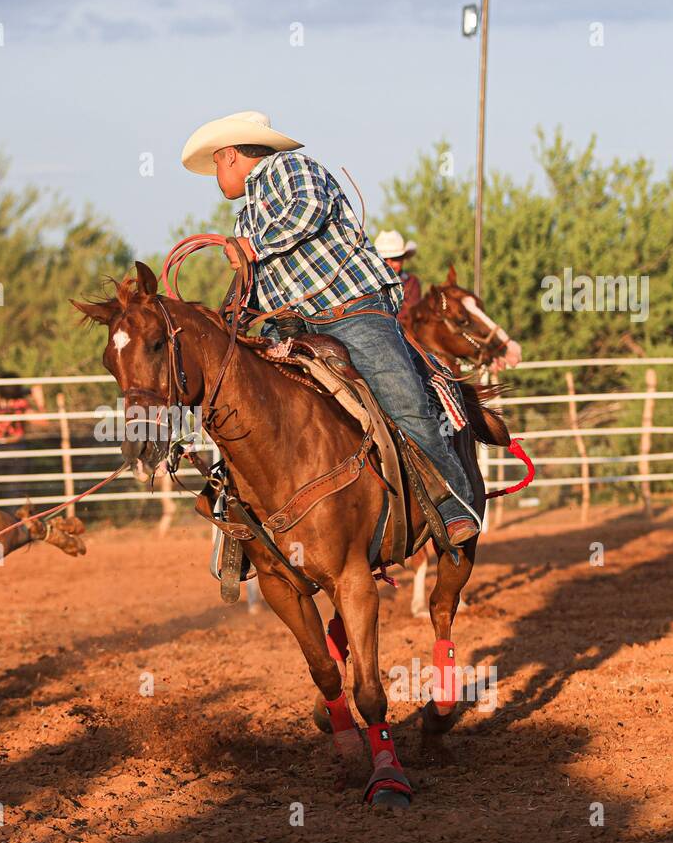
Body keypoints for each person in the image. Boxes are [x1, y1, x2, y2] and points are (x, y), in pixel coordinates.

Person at [180, 110, 480, 546]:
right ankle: (255, 519)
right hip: (290, 326)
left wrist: (252, 246)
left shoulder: (291, 169)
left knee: (403, 399)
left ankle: (452, 502)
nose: (216, 178)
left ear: (229, 156)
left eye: (215, 167)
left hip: (351, 311)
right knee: (252, 406)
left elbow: (309, 210)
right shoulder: (245, 217)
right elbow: (260, 285)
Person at [0, 374, 47, 499]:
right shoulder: (18, 403)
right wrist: (40, 402)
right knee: (12, 490)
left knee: (0, 490)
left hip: (0, 448)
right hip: (11, 448)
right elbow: (43, 421)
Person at [374, 230, 422, 328]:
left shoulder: (412, 282)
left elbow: (411, 313)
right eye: (384, 259)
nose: (390, 264)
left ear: (403, 259)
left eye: (395, 259)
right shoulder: (371, 284)